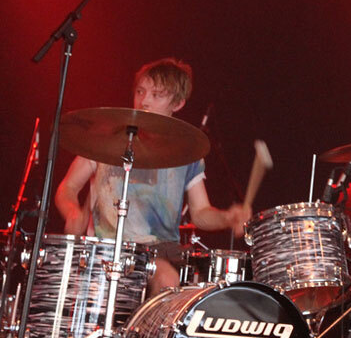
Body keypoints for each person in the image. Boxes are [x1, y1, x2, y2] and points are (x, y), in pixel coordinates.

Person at [55, 58, 251, 293]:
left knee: (167, 280)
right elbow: (68, 187)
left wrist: (227, 218)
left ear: (177, 103)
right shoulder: (106, 140)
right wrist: (72, 211)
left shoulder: (186, 153)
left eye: (157, 95)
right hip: (105, 249)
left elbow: (200, 213)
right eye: (140, 91)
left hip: (160, 252)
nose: (144, 101)